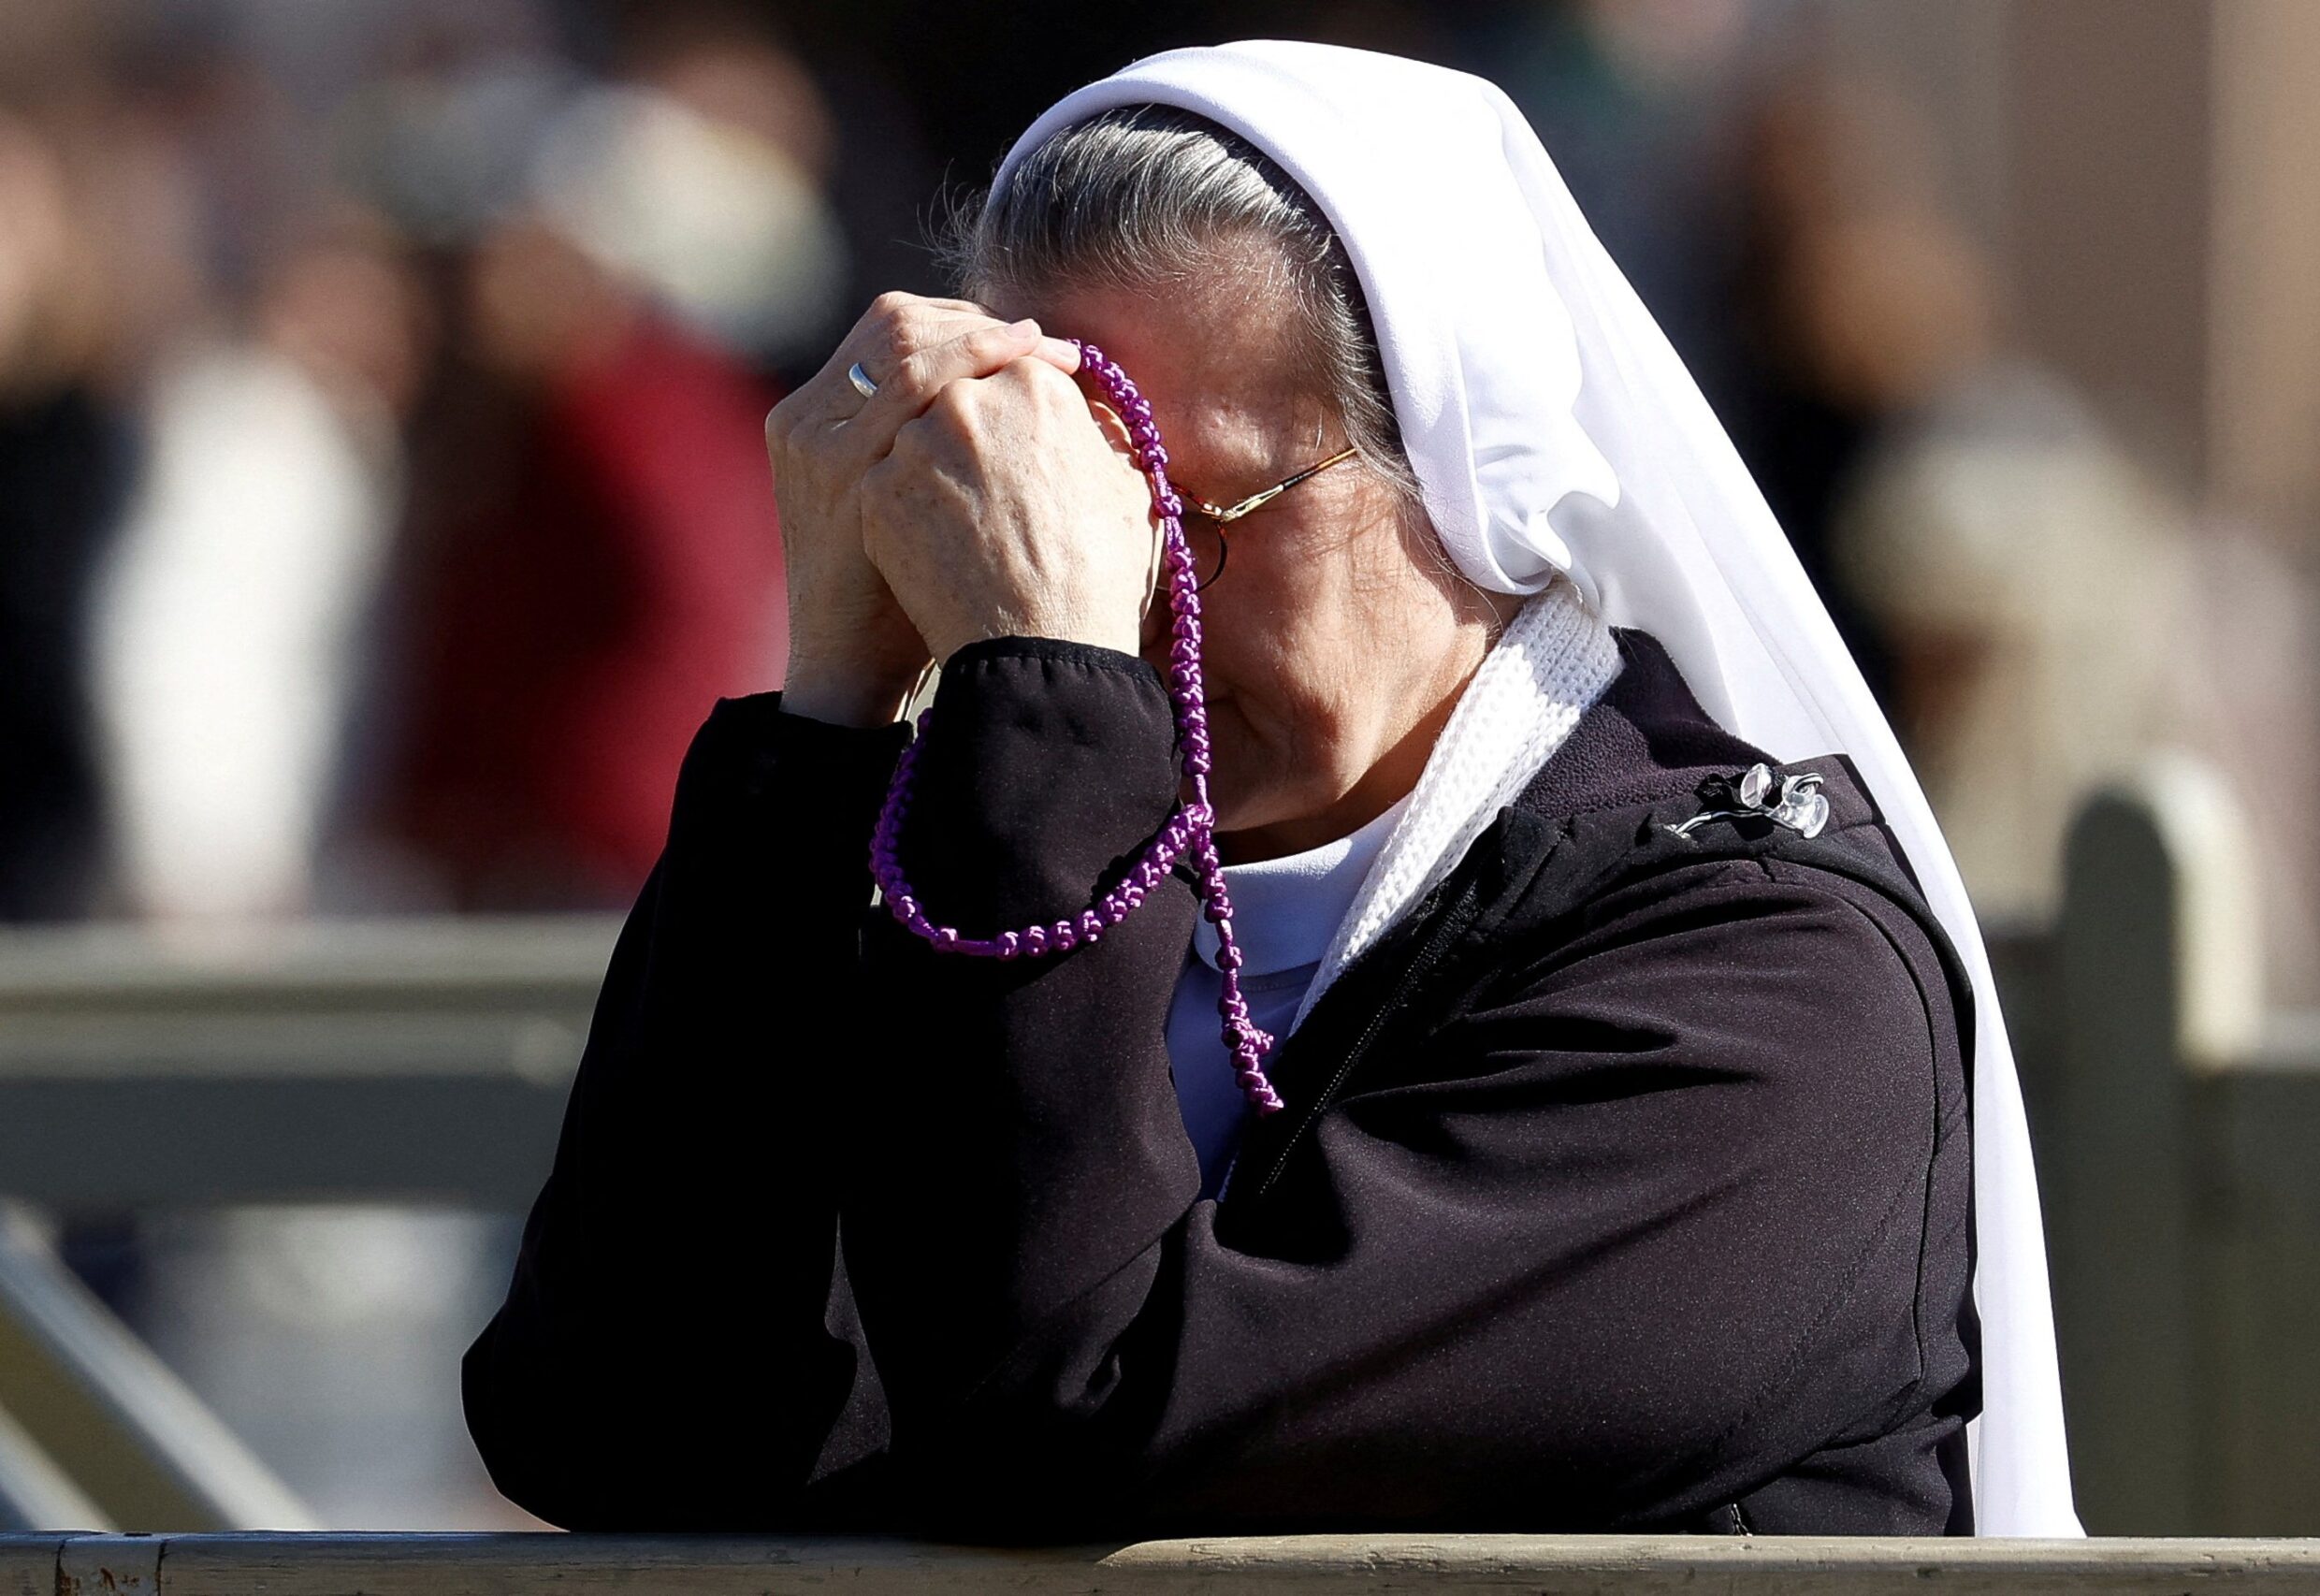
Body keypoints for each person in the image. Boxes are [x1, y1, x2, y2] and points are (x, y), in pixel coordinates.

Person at [463, 42, 2079, 1538]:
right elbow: (609, 1415)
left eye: (1196, 510)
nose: (1116, 595)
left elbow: (1075, 1418)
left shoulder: (1768, 996)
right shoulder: (1019, 851)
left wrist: (1044, 691)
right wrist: (832, 712)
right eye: (1073, 501)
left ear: (1458, 485)